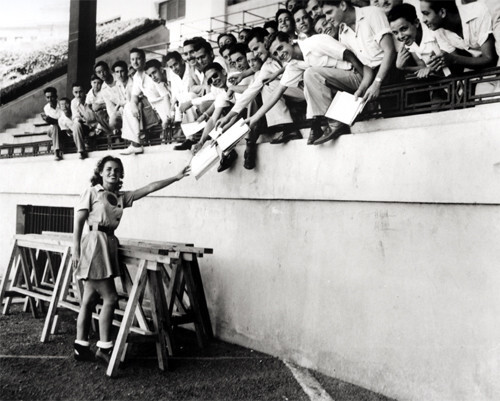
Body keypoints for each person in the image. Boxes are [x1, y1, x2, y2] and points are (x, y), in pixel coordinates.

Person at [72, 156, 190, 363]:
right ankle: (105, 347)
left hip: (108, 243)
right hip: (94, 243)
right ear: (100, 172)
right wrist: (76, 250)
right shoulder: (91, 192)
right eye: (108, 169)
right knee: (110, 298)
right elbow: (79, 221)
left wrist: (176, 177)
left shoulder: (120, 197)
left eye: (117, 170)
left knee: (90, 298)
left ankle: (80, 346)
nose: (113, 173)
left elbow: (150, 187)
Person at [305, 0, 396, 145]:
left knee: (392, 126)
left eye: (329, 12)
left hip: (390, 70)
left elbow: (390, 51)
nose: (327, 18)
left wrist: (376, 83)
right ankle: (334, 123)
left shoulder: (372, 13)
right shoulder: (343, 32)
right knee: (312, 74)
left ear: (342, 5)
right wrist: (362, 88)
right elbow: (365, 66)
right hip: (370, 74)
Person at [420, 0, 498, 73]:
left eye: (426, 13)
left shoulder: (477, 13)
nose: (423, 20)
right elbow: (456, 63)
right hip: (483, 71)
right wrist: (435, 66)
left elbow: (489, 59)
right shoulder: (438, 29)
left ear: (442, 12)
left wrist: (453, 59)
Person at [388, 3, 453, 78]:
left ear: (416, 23)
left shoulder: (434, 31)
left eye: (404, 29)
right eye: (395, 32)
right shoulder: (410, 41)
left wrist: (431, 68)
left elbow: (454, 59)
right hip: (443, 83)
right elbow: (422, 66)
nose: (400, 36)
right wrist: (403, 67)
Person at [41, 87, 64, 161]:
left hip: (63, 128)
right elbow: (52, 123)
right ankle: (56, 151)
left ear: (56, 96)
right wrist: (47, 120)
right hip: (53, 129)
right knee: (54, 127)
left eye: (52, 97)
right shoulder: (46, 108)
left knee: (56, 126)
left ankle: (57, 151)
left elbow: (63, 121)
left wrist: (52, 120)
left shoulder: (62, 104)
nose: (50, 99)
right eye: (48, 97)